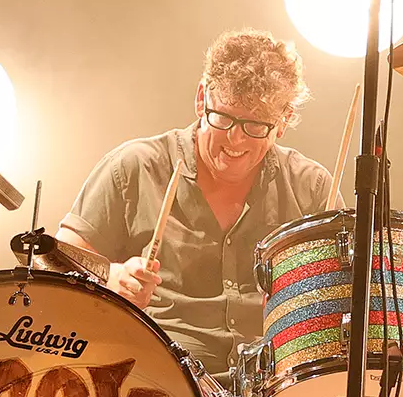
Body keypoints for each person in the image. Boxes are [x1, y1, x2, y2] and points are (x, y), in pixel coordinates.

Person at [57, 29, 333, 375]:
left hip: (270, 396)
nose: (235, 139)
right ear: (202, 98)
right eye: (224, 118)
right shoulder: (135, 168)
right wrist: (110, 276)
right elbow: (51, 262)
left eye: (255, 126)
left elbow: (341, 304)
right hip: (157, 380)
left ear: (284, 120)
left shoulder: (312, 187)